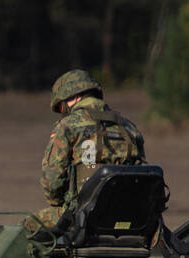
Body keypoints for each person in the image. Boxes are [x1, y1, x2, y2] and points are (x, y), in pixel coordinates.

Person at [30, 69, 146, 231]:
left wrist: (62, 205)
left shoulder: (68, 126)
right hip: (130, 215)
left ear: (73, 97)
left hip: (83, 215)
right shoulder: (129, 127)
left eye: (62, 107)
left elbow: (52, 183)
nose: (63, 113)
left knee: (25, 229)